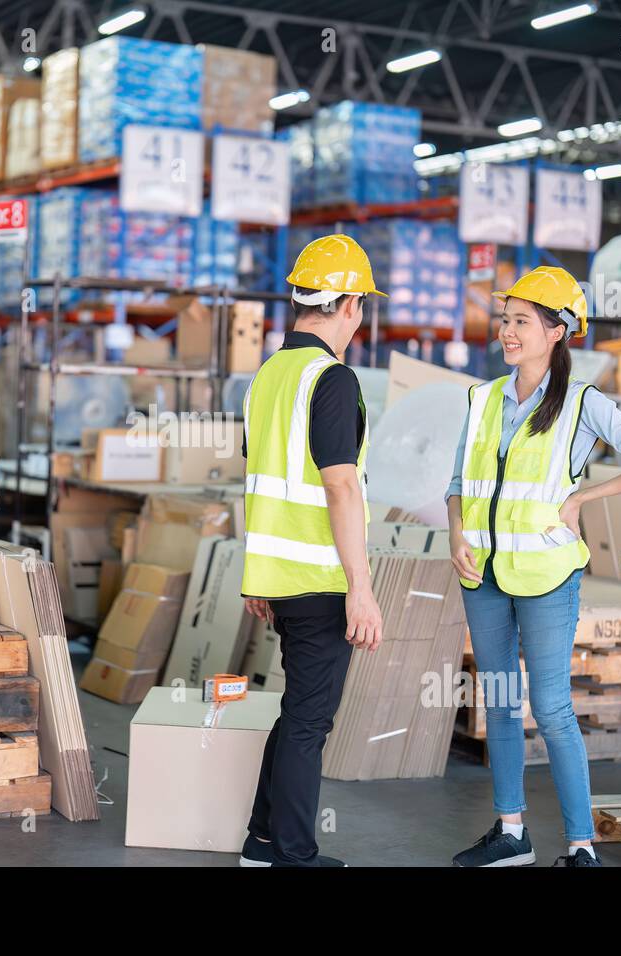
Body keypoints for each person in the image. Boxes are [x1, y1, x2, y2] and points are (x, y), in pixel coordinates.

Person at [445, 266, 621, 868]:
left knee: (550, 708)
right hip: (483, 573)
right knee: (498, 700)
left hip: (548, 576)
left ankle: (580, 847)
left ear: (558, 331)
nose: (507, 332)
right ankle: (512, 834)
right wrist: (454, 533)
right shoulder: (481, 399)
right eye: (505, 320)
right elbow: (456, 483)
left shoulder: (581, 403)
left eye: (521, 321)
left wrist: (580, 499)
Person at [237, 234, 386, 868]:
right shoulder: (331, 378)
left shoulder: (267, 375)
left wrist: (257, 577)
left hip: (278, 578)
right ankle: (293, 856)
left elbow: (262, 479)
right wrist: (361, 585)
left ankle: (262, 842)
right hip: (321, 579)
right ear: (350, 303)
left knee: (296, 711)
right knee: (308, 722)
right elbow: (339, 483)